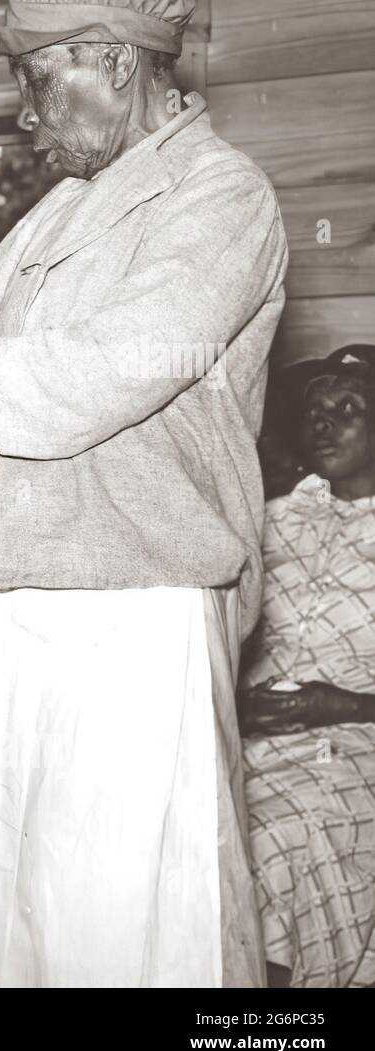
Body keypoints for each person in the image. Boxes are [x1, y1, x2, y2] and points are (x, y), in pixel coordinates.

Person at [0, 0, 288, 986]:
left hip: (121, 598)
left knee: (114, 901)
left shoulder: (219, 193)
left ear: (117, 60)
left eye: (36, 80)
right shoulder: (54, 213)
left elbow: (99, 376)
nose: (24, 114)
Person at [239, 344, 375, 989]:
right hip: (247, 741)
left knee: (270, 839)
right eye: (314, 411)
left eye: (348, 408)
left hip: (354, 747)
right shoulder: (265, 523)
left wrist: (339, 707)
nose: (323, 422)